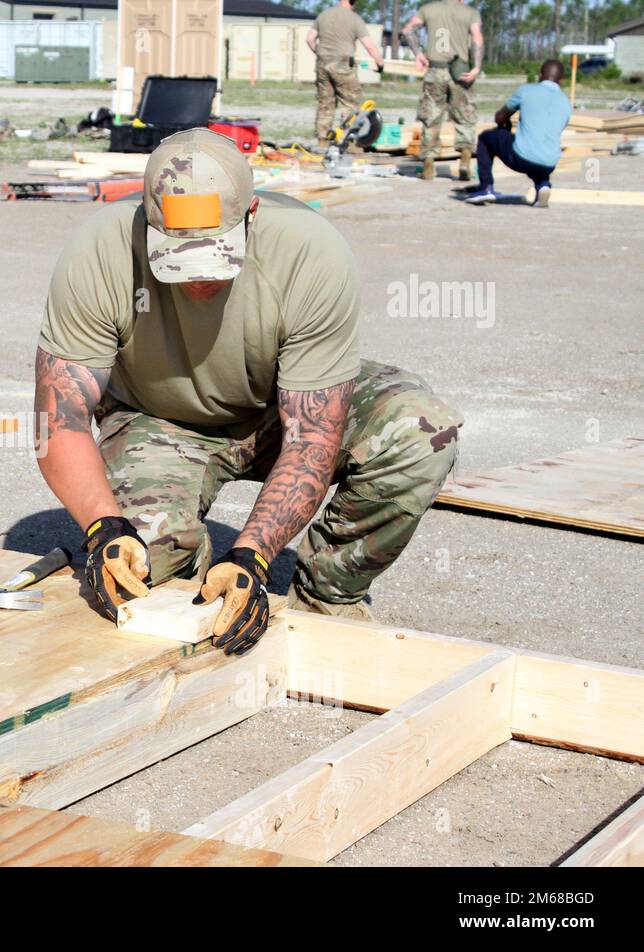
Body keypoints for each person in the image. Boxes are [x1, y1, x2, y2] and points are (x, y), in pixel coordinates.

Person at [33, 130, 461, 655]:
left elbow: (310, 438)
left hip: (280, 410)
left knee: (418, 432)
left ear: (251, 213)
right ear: (148, 220)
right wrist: (104, 528)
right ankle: (189, 572)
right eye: (176, 258)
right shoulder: (100, 250)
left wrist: (253, 556)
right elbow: (60, 419)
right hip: (159, 419)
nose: (196, 282)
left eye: (214, 256)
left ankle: (327, 593)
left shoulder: (309, 251)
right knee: (138, 574)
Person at [466, 59, 571, 207]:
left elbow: (500, 117)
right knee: (539, 151)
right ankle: (543, 185)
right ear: (561, 81)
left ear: (540, 76)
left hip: (521, 158)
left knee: (485, 138)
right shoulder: (566, 102)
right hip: (550, 163)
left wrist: (504, 124)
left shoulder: (526, 90)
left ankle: (485, 187)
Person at [401, 0, 484, 181]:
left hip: (435, 71)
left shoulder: (427, 9)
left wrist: (419, 54)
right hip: (460, 71)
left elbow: (407, 30)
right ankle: (465, 161)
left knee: (431, 117)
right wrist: (476, 66)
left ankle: (429, 164)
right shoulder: (470, 13)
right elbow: (477, 39)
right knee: (465, 117)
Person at [307, 0, 384, 144]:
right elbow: (369, 46)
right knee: (349, 103)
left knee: (325, 102)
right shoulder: (354, 19)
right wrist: (380, 63)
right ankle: (348, 141)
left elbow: (310, 39)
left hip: (322, 64)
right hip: (342, 64)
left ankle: (322, 141)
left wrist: (321, 54)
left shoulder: (323, 15)